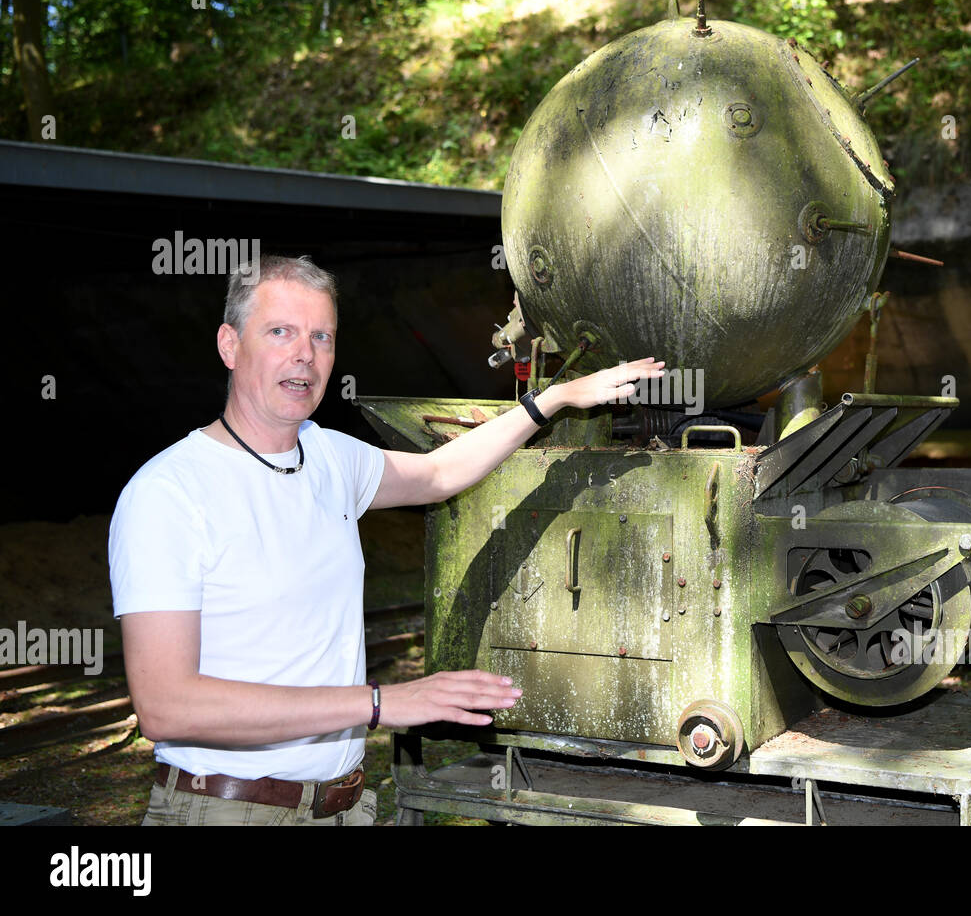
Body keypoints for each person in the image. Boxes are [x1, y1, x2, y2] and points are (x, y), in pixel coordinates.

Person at [109, 255, 663, 825]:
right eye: (280, 332)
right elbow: (167, 707)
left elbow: (441, 474)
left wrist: (553, 400)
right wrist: (381, 703)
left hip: (341, 808)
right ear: (230, 345)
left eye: (321, 336)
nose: (304, 353)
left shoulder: (328, 456)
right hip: (224, 810)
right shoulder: (169, 493)